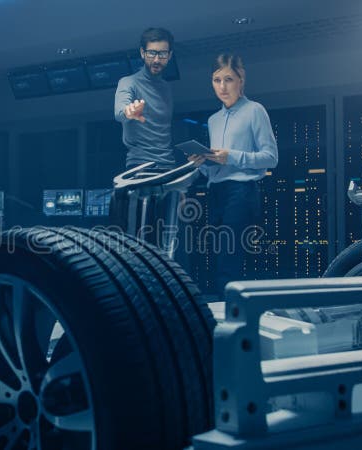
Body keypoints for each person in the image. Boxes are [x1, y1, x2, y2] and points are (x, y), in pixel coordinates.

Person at [189, 54, 278, 293]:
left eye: (228, 79)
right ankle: (222, 306)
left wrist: (232, 156)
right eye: (217, 80)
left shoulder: (254, 110)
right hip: (216, 192)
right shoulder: (213, 120)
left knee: (230, 258)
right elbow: (218, 168)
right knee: (217, 255)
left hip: (241, 192)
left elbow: (271, 157)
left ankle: (234, 307)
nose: (222, 87)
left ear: (241, 80)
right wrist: (202, 163)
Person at [114, 27, 175, 169]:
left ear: (169, 55)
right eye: (152, 53)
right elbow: (119, 112)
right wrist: (129, 112)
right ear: (142, 53)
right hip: (140, 164)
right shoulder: (128, 82)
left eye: (162, 54)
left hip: (168, 164)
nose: (156, 60)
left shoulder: (166, 88)